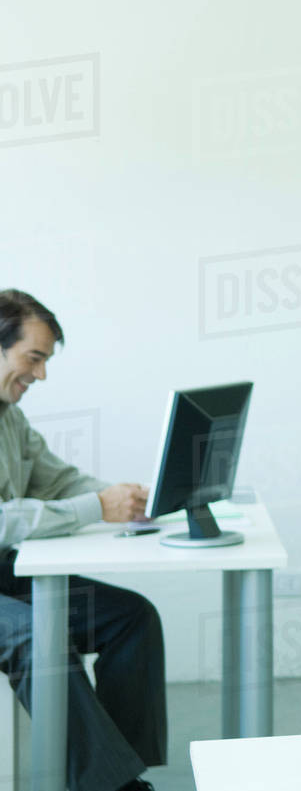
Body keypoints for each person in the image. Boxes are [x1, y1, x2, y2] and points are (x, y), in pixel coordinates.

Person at [0, 290, 165, 791]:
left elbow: (56, 480)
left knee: (131, 618)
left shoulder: (10, 416)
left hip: (7, 572)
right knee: (36, 636)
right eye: (34, 358)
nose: (41, 375)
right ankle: (114, 788)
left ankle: (122, 770)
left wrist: (119, 498)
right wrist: (97, 508)